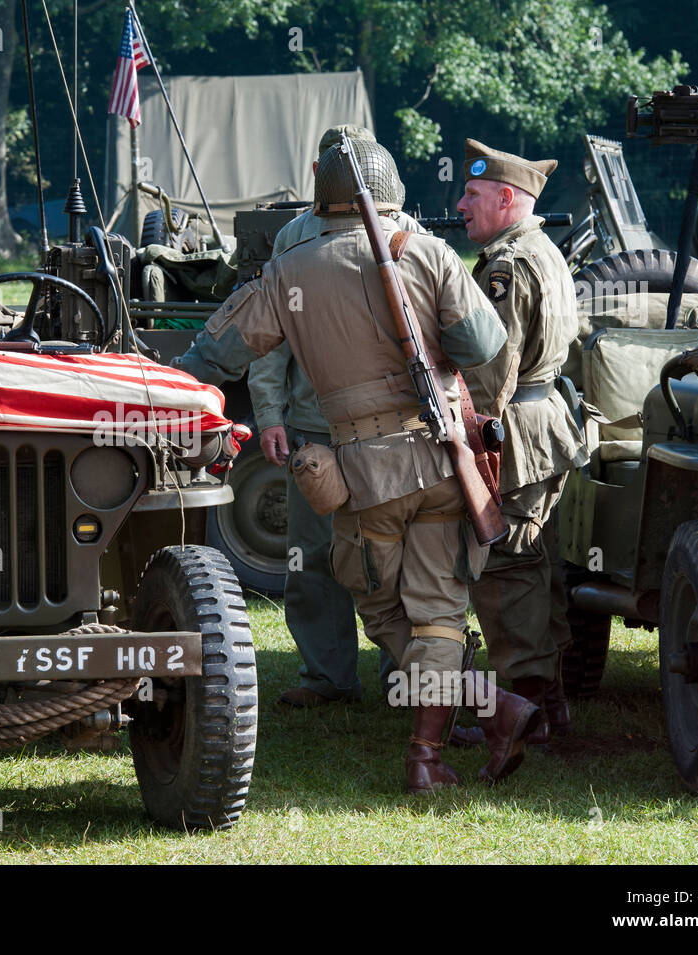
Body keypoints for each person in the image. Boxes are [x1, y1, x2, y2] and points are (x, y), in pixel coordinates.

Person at [173, 138, 541, 792]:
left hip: (362, 475)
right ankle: (464, 729)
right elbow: (485, 344)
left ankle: (455, 735)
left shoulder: (291, 266)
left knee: (377, 606)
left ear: (322, 195)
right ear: (392, 188)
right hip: (442, 464)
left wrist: (161, 381)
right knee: (436, 615)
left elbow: (219, 351)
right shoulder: (426, 251)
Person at [248, 124, 426, 709]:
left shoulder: (403, 231)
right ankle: (328, 675)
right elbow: (270, 339)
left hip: (382, 426)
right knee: (316, 556)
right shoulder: (295, 238)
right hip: (317, 425)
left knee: (388, 556)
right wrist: (270, 413)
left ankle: (400, 673)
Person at [456, 138, 587, 744]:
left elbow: (492, 368)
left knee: (508, 571)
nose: (461, 204)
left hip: (517, 433)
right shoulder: (544, 250)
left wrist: (470, 439)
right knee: (538, 566)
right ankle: (548, 702)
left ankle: (524, 706)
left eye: (474, 194)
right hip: (548, 427)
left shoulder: (507, 265)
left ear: (507, 199)